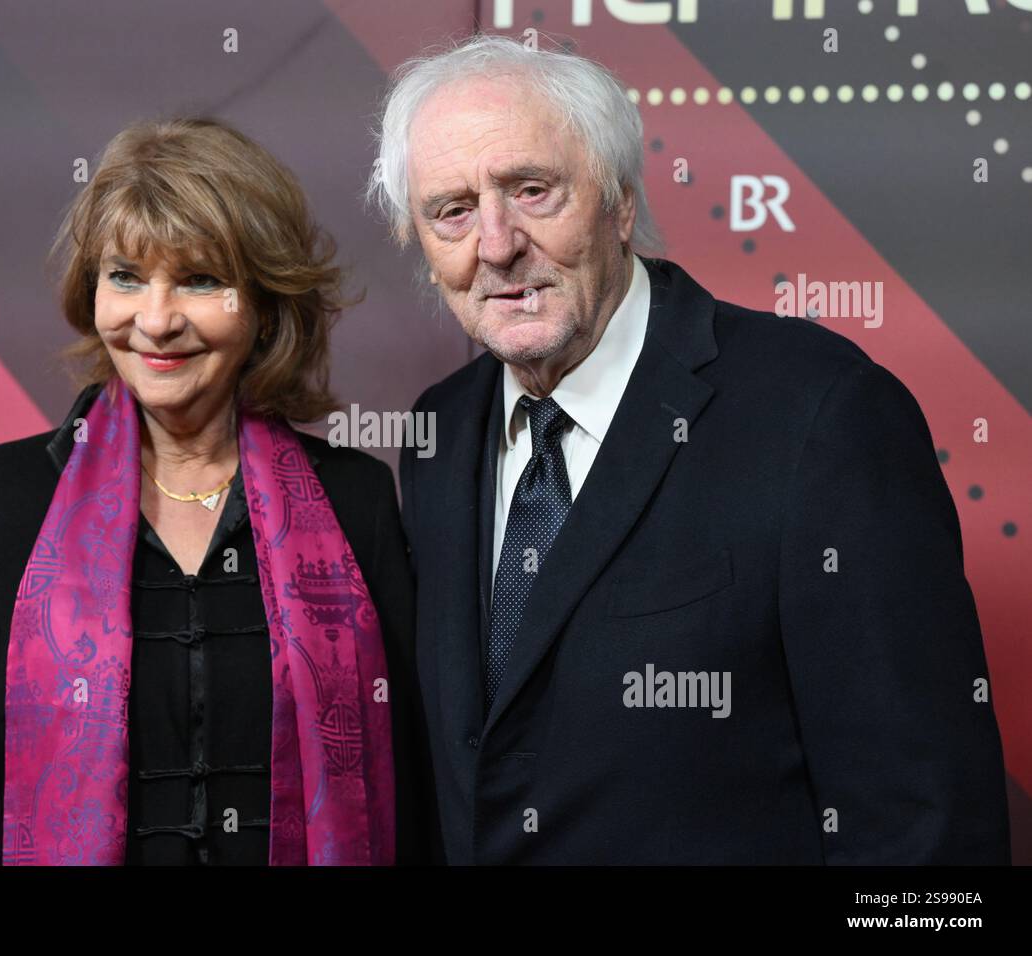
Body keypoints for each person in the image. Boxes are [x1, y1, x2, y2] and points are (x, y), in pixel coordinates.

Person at [373, 35, 1011, 864]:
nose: (496, 245)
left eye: (532, 191)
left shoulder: (819, 414)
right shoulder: (439, 436)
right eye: (452, 210)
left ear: (620, 202)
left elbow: (928, 828)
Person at [0, 117, 435, 866]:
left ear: (266, 304)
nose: (155, 320)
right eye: (126, 277)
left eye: (201, 280)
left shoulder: (357, 503)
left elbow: (412, 803)